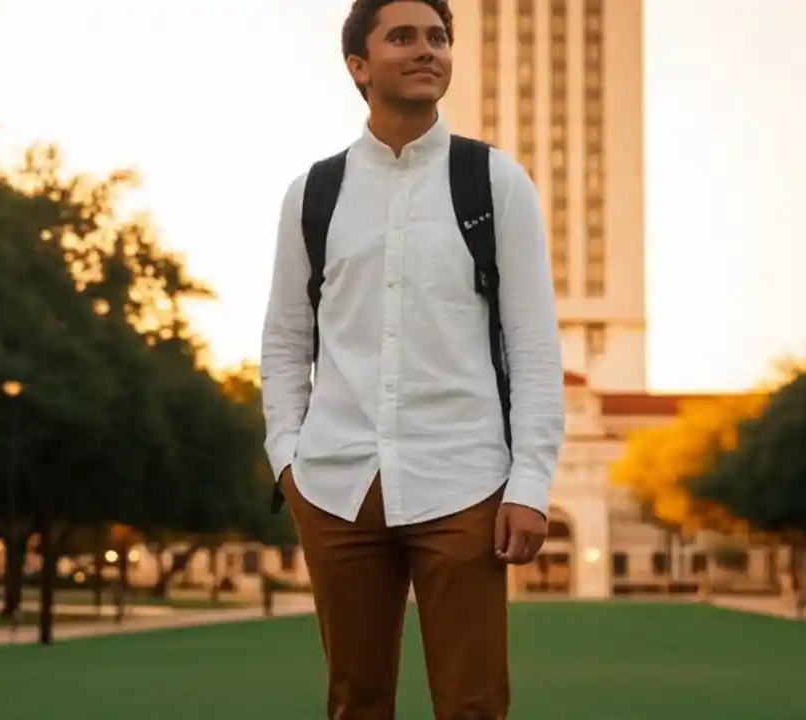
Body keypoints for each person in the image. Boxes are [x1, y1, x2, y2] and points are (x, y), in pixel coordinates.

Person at [259, 1, 564, 717]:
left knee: (474, 704)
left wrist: (531, 482)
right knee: (355, 702)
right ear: (359, 66)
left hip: (464, 481)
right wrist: (287, 457)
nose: (427, 50)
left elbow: (533, 345)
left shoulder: (494, 183)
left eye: (438, 37)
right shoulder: (315, 194)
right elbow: (284, 339)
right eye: (403, 37)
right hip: (336, 486)